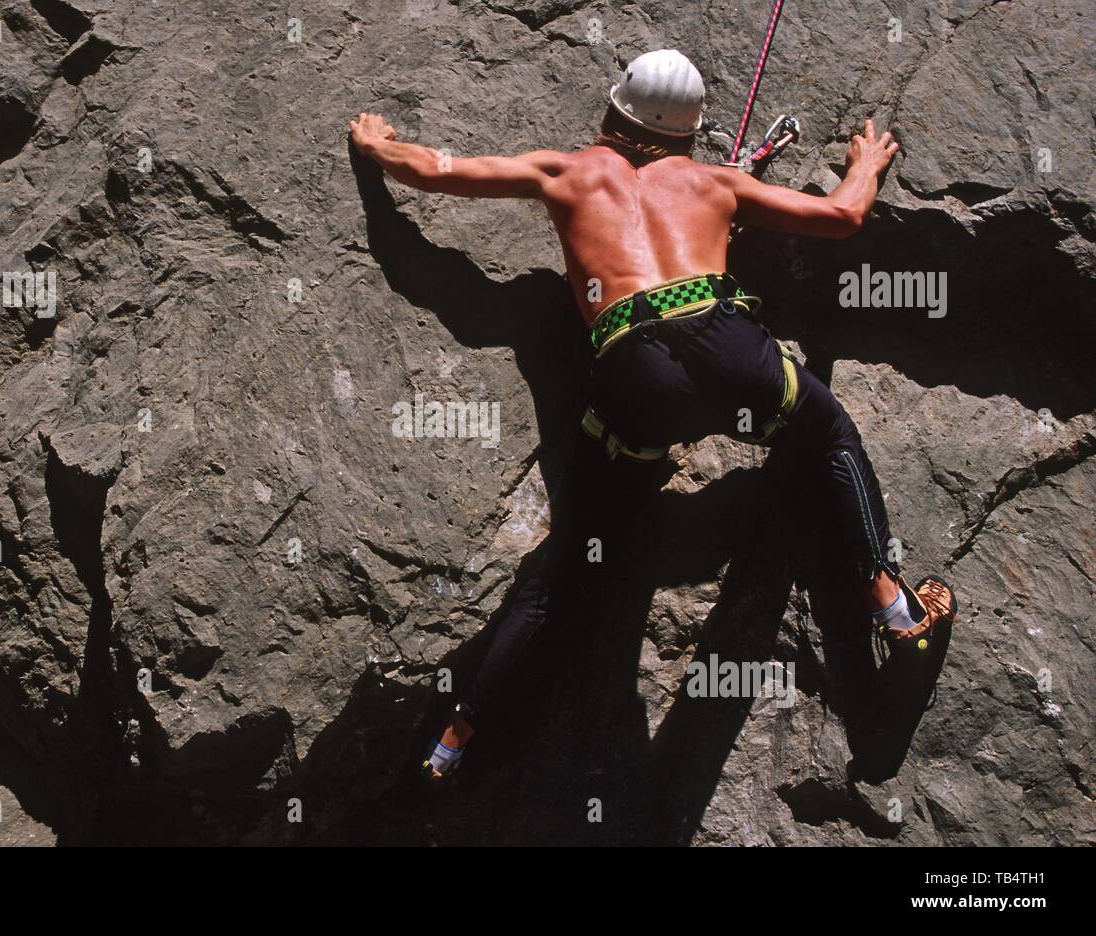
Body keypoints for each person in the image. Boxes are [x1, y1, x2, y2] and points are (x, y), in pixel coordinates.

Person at [349, 49, 957, 782]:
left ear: (613, 112)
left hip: (635, 373)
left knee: (567, 566)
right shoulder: (714, 181)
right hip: (723, 340)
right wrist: (865, 161)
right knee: (826, 433)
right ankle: (895, 610)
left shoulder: (562, 173)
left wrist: (377, 146)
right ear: (691, 133)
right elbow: (842, 215)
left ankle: (454, 737)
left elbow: (437, 170)